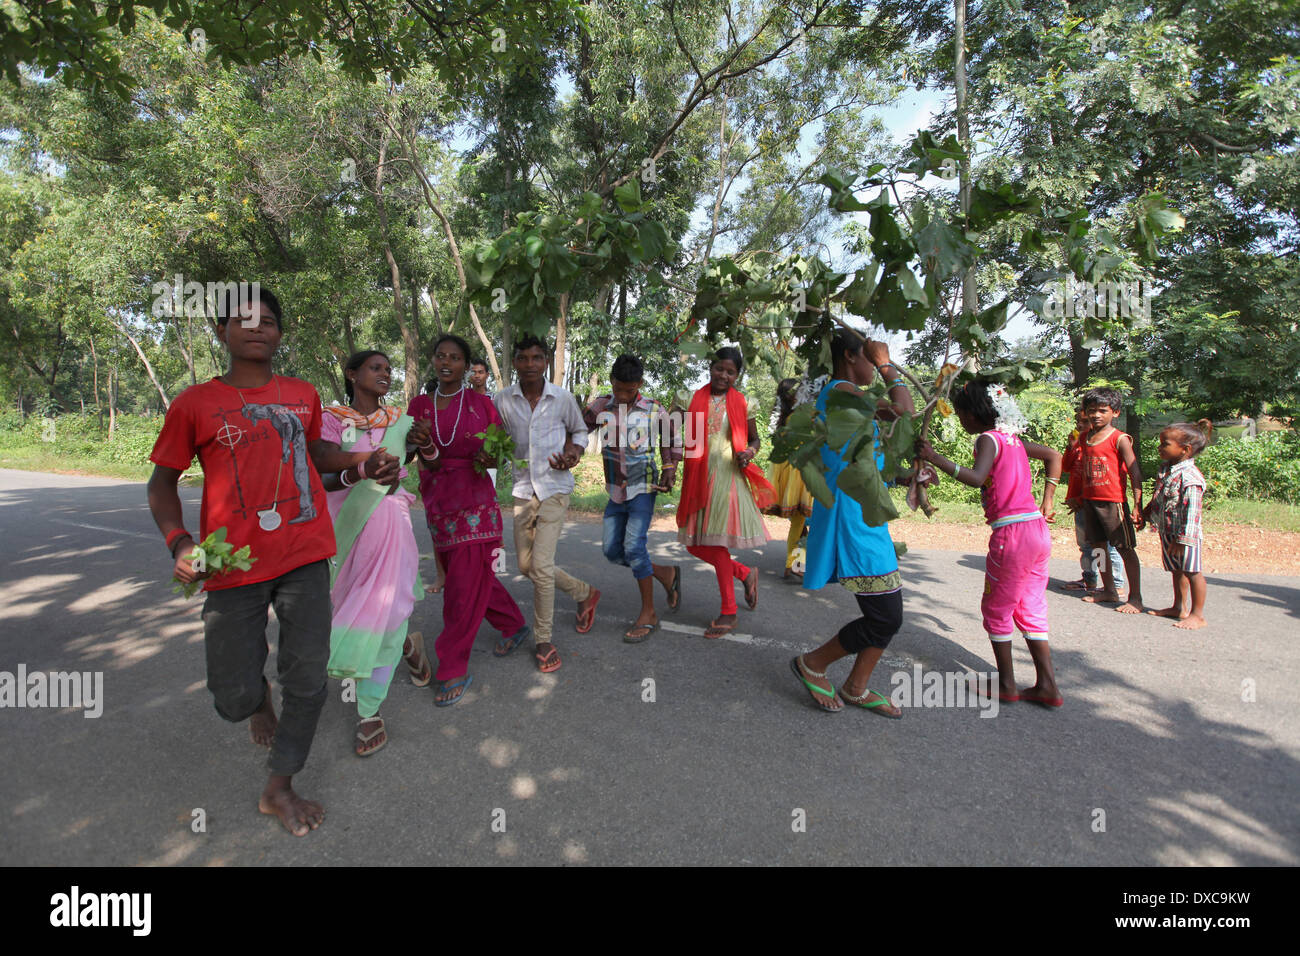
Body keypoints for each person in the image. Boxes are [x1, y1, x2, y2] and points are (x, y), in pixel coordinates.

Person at [147, 286, 369, 836]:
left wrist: (359, 460)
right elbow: (162, 484)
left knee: (309, 678)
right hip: (230, 567)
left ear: (280, 333)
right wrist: (180, 543)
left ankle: (280, 786)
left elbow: (317, 456)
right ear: (220, 331)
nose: (257, 327)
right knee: (233, 692)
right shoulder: (193, 404)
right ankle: (257, 699)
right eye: (243, 320)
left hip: (304, 558)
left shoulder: (302, 393)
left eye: (269, 320)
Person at [916, 381, 1065, 707]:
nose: (960, 420)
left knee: (997, 609)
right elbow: (1054, 456)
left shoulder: (987, 439)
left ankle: (1007, 684)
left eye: (960, 414)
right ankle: (1047, 685)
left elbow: (976, 478)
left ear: (973, 413)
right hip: (1036, 531)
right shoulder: (1012, 439)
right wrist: (1048, 497)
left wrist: (934, 457)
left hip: (1012, 536)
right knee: (1030, 606)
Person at [317, 349, 435, 756]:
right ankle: (406, 646)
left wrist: (424, 443)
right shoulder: (331, 419)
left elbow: (420, 463)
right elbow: (326, 476)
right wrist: (358, 471)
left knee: (383, 608)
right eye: (375, 368)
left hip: (389, 522)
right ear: (352, 374)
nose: (385, 374)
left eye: (388, 369)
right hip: (343, 528)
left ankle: (369, 712)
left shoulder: (400, 422)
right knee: (346, 605)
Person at [789, 331, 911, 715]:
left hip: (863, 510)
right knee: (886, 615)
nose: (873, 369)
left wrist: (904, 475)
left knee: (887, 615)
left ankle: (856, 686)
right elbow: (904, 409)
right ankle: (813, 663)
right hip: (852, 515)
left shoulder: (850, 398)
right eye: (868, 359)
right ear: (849, 356)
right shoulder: (843, 391)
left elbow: (861, 456)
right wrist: (887, 363)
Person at [408, 334, 530, 704]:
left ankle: (452, 666)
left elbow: (497, 453)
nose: (447, 362)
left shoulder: (481, 404)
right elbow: (416, 456)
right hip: (439, 499)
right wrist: (423, 444)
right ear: (433, 361)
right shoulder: (418, 405)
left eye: (456, 357)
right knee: (474, 577)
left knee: (462, 587)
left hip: (476, 501)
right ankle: (514, 624)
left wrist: (487, 459)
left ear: (466, 365)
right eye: (441, 356)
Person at [494, 335, 600, 673]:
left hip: (555, 488)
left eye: (536, 358)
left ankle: (543, 639)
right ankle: (583, 592)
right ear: (515, 362)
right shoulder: (502, 400)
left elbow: (580, 432)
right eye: (523, 358)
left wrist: (573, 454)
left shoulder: (562, 398)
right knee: (525, 566)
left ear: (547, 362)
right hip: (524, 490)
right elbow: (494, 437)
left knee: (540, 568)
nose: (529, 365)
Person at [582, 354, 684, 642]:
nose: (624, 396)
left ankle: (648, 612)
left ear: (639, 384)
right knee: (612, 551)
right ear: (612, 381)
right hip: (616, 488)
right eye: (618, 389)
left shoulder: (653, 409)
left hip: (644, 486)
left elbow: (672, 440)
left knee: (634, 547)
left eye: (630, 390)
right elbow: (578, 429)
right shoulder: (601, 406)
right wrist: (571, 450)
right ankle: (664, 573)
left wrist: (669, 469)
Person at [677, 346, 775, 638]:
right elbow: (673, 432)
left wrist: (750, 451)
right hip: (697, 477)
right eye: (719, 368)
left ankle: (729, 612)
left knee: (717, 545)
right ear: (711, 367)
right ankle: (744, 573)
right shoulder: (690, 398)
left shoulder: (744, 403)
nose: (723, 375)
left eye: (730, 371)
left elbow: (755, 440)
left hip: (727, 479)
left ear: (737, 375)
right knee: (694, 544)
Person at [1072, 387, 1145, 612]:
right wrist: (1077, 496)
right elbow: (1079, 469)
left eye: (1102, 410)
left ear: (1115, 412)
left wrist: (1138, 505)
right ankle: (1109, 589)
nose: (1096, 415)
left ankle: (1135, 597)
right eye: (1091, 410)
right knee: (1098, 548)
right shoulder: (1085, 437)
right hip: (1090, 501)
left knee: (1125, 548)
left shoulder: (1119, 439)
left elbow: (1134, 472)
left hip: (1113, 503)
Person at [1143, 422, 1209, 629]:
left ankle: (1197, 615)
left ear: (1185, 449)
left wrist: (1184, 540)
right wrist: (1146, 513)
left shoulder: (1190, 477)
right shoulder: (1167, 470)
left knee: (1192, 571)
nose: (1160, 447)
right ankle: (1178, 606)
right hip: (1168, 530)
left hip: (1185, 535)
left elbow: (1193, 513)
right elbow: (1160, 497)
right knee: (1177, 571)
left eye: (1165, 444)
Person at [1061, 406, 1125, 596]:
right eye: (1078, 423)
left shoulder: (1107, 445)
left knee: (1109, 547)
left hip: (1098, 503)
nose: (1080, 426)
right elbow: (1065, 467)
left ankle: (1115, 583)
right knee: (1086, 545)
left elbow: (1111, 479)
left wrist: (1081, 499)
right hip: (1080, 505)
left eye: (1084, 423)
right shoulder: (1080, 445)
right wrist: (1071, 447)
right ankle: (1089, 578)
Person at [766, 377, 814, 581]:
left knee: (800, 522)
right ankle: (792, 564)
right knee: (799, 521)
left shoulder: (788, 415)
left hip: (792, 471)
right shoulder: (801, 414)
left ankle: (797, 562)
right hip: (799, 473)